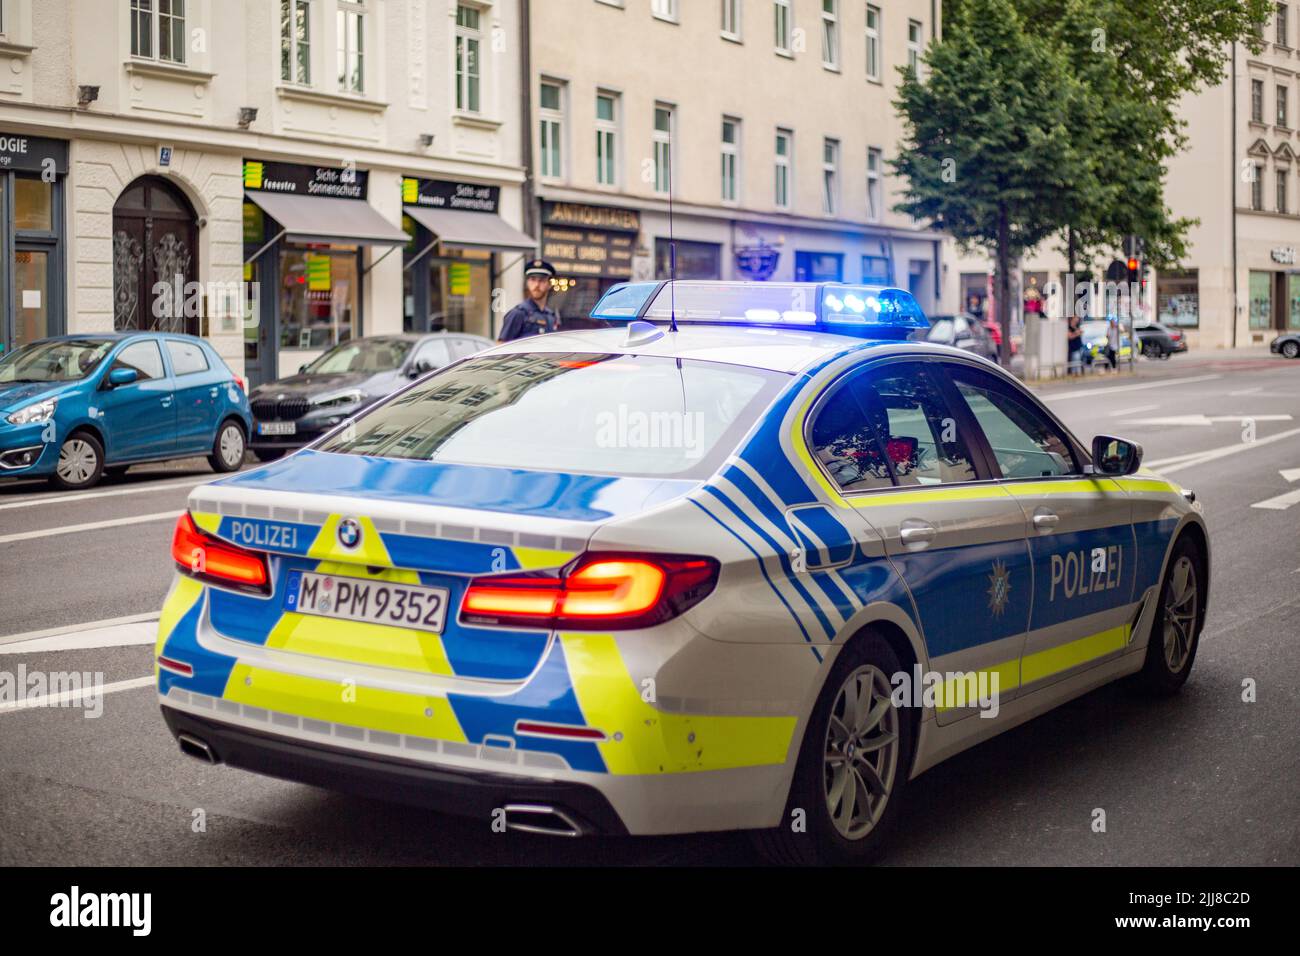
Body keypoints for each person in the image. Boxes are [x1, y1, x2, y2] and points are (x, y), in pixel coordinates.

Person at [499, 259, 561, 342]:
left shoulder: (551, 316)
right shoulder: (518, 313)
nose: (536, 285)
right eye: (533, 279)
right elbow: (501, 346)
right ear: (527, 283)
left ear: (549, 284)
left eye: (541, 280)